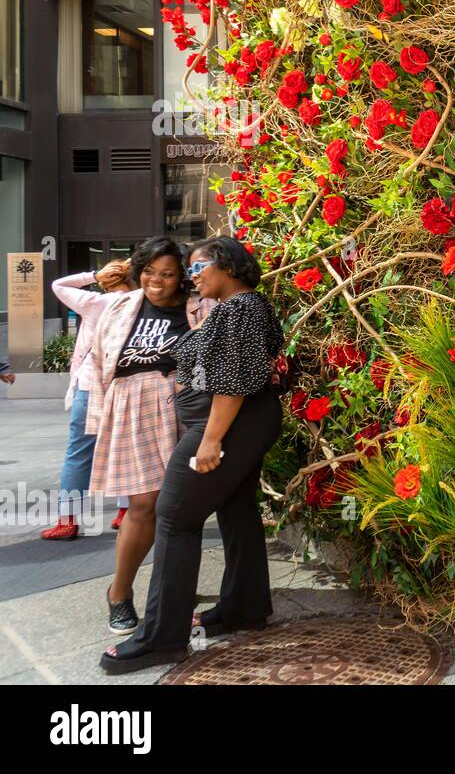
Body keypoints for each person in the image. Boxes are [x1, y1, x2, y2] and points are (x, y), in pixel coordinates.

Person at [101, 236, 284, 674]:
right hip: (241, 420)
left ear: (227, 267)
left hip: (227, 422)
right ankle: (243, 607)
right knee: (236, 508)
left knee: (174, 516)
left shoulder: (240, 308)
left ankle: (162, 638)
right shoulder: (237, 308)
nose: (191, 276)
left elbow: (234, 381)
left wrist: (210, 439)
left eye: (199, 268)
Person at [85, 238, 213, 636]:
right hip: (131, 405)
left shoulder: (200, 307)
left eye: (168, 273)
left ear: (182, 277)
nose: (157, 281)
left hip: (181, 405)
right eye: (150, 272)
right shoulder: (121, 305)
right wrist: (98, 419)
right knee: (143, 505)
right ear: (139, 270)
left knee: (177, 506)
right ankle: (119, 593)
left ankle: (169, 590)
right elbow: (99, 359)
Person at [41, 261, 135, 540]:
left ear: (107, 279)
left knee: (79, 453)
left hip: (91, 384)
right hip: (127, 382)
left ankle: (68, 519)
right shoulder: (142, 302)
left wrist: (91, 276)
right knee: (127, 447)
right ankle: (125, 511)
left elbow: (58, 285)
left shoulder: (95, 301)